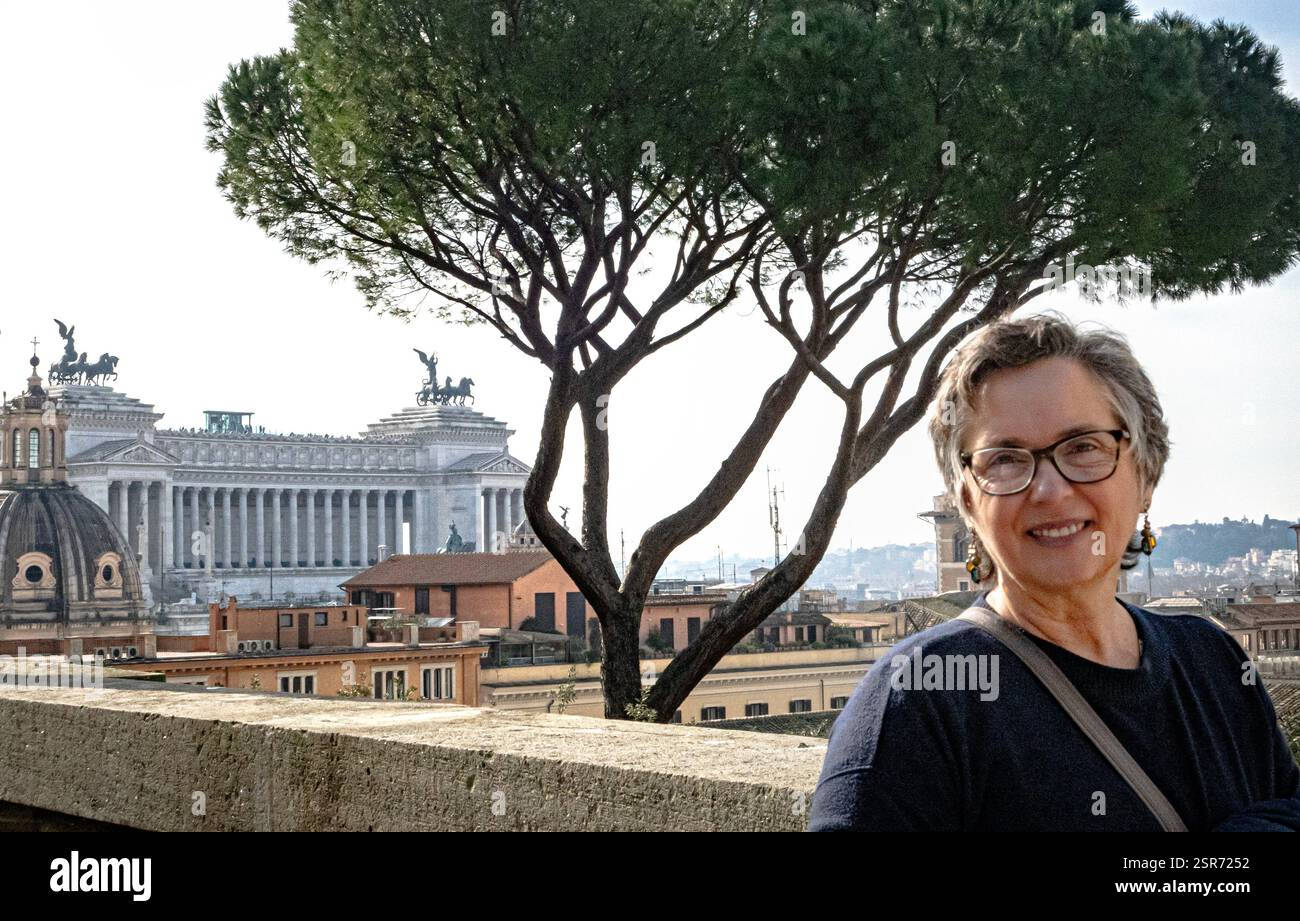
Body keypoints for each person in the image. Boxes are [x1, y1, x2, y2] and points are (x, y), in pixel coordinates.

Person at [809, 312, 1300, 831]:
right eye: (1004, 459)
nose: (1049, 489)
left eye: (1083, 447)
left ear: (1146, 474)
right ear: (968, 503)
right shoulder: (916, 702)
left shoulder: (1212, 658)